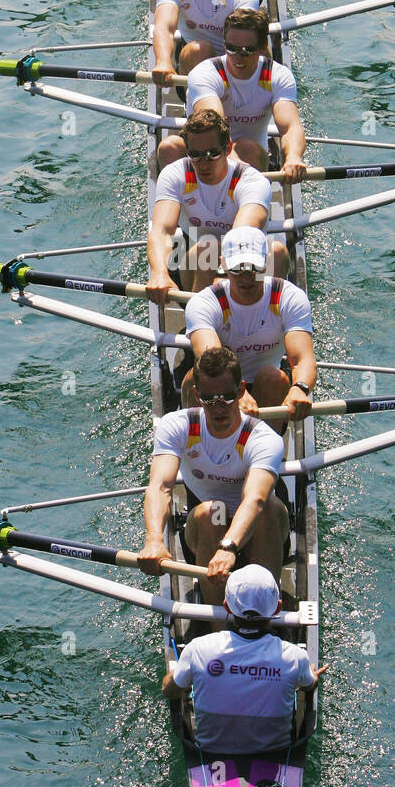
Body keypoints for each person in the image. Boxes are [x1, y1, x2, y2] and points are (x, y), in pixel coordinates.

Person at [140, 347, 288, 604]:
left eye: (227, 398)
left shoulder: (263, 437)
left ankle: (265, 614)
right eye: (209, 399)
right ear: (196, 395)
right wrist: (153, 540)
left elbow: (255, 499)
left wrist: (229, 546)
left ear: (241, 391)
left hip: (258, 532)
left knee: (268, 509)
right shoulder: (176, 426)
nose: (218, 407)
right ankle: (216, 628)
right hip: (205, 531)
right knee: (213, 511)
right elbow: (160, 486)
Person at [161, 564, 326, 755]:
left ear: (226, 606)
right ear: (277, 609)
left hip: (212, 753)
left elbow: (169, 691)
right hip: (274, 754)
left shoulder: (197, 649)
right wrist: (312, 676)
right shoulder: (295, 657)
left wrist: (182, 674)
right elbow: (308, 685)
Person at [183, 227, 316, 427]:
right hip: (218, 388)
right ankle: (201, 437)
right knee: (196, 377)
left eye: (254, 267)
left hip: (266, 386)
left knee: (273, 378)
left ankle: (262, 447)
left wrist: (300, 388)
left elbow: (302, 358)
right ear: (223, 265)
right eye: (237, 268)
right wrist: (237, 392)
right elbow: (214, 362)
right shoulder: (205, 302)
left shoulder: (289, 297)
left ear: (267, 263)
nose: (247, 276)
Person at [156, 6, 306, 178]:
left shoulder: (278, 76)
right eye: (231, 48)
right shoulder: (205, 73)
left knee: (246, 148)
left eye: (247, 50)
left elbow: (290, 127)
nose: (237, 57)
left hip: (250, 156)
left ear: (263, 48)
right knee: (170, 148)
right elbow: (212, 125)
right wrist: (230, 158)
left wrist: (293, 156)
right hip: (204, 153)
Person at [146, 108, 275, 299]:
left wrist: (224, 276)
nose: (203, 164)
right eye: (195, 155)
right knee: (207, 247)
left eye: (212, 154)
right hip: (196, 261)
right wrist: (159, 273)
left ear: (228, 149)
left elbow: (241, 238)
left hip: (247, 265)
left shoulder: (251, 182)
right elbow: (162, 232)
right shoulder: (175, 174)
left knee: (278, 253)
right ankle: (200, 318)